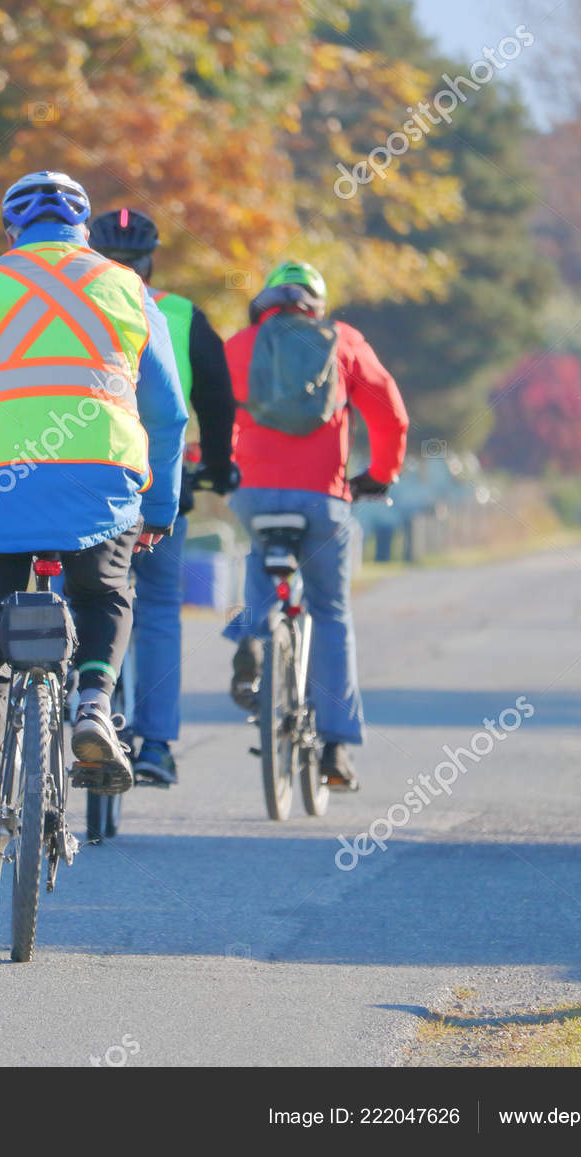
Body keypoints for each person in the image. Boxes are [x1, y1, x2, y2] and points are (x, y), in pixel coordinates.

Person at [0, 172, 188, 890]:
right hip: (97, 477)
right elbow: (167, 413)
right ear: (82, 229)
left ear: (10, 233)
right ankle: (95, 702)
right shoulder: (129, 289)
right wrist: (159, 507)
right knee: (105, 590)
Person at [223, 261, 408, 792]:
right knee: (330, 611)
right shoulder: (343, 341)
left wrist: (216, 463)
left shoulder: (240, 344)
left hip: (255, 494)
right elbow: (391, 413)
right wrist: (379, 474)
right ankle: (334, 747)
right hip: (323, 497)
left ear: (266, 301)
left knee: (260, 561)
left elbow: (213, 411)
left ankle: (252, 639)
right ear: (316, 306)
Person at [86, 207, 238, 788]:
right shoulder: (181, 314)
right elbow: (218, 403)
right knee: (155, 610)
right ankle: (155, 744)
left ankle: (80, 710)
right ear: (152, 261)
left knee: (81, 596)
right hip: (156, 484)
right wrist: (220, 469)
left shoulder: (66, 307)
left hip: (85, 479)